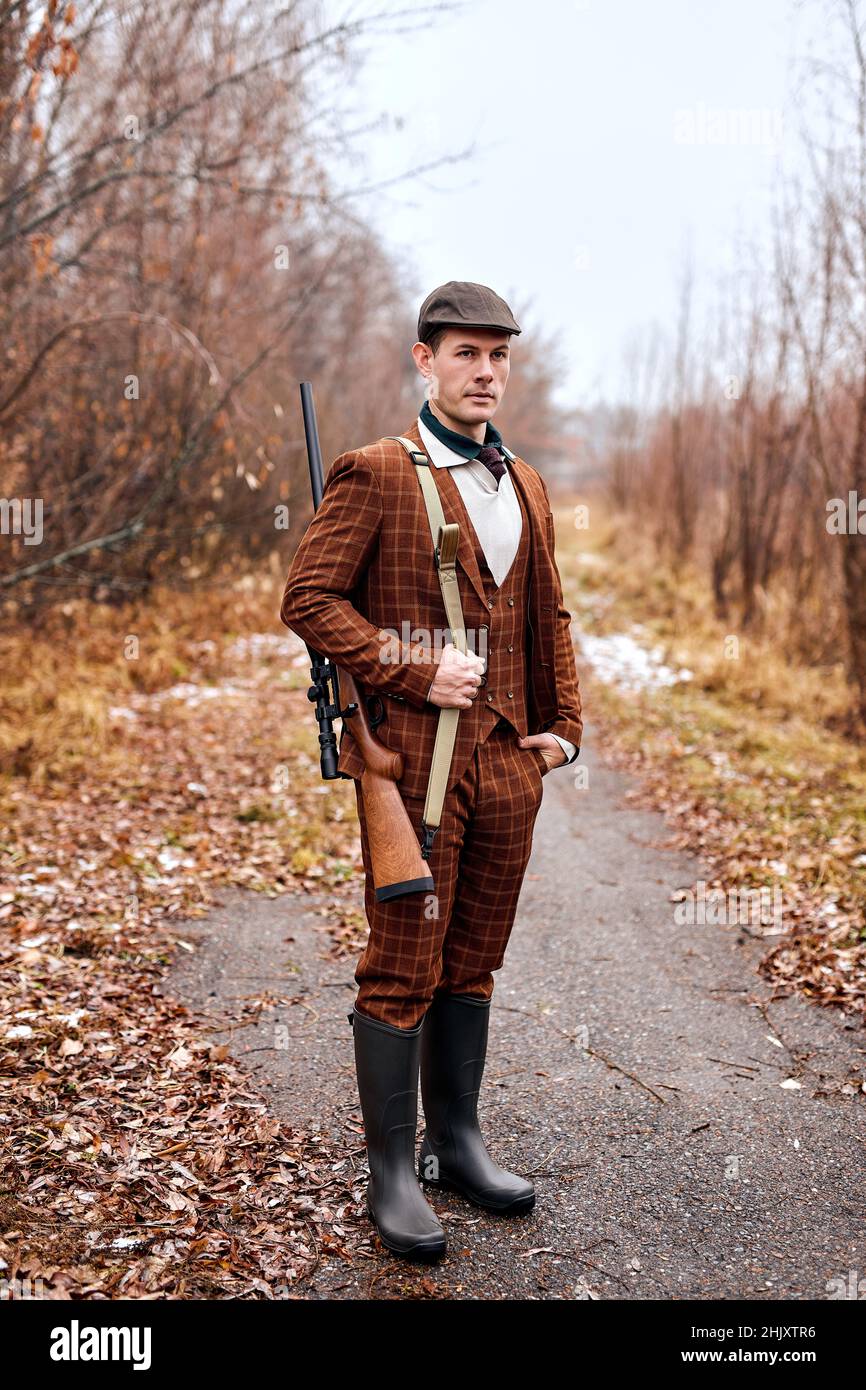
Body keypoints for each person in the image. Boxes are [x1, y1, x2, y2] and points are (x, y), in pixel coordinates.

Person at [280, 280, 583, 1261]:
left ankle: (456, 1143)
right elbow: (309, 598)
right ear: (424, 360)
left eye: (497, 355)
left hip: (504, 767)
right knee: (402, 962)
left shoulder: (525, 483)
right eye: (464, 353)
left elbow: (549, 617)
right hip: (411, 765)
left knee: (472, 960)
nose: (484, 371)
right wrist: (409, 664)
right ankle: (390, 1173)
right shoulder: (374, 472)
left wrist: (562, 730)